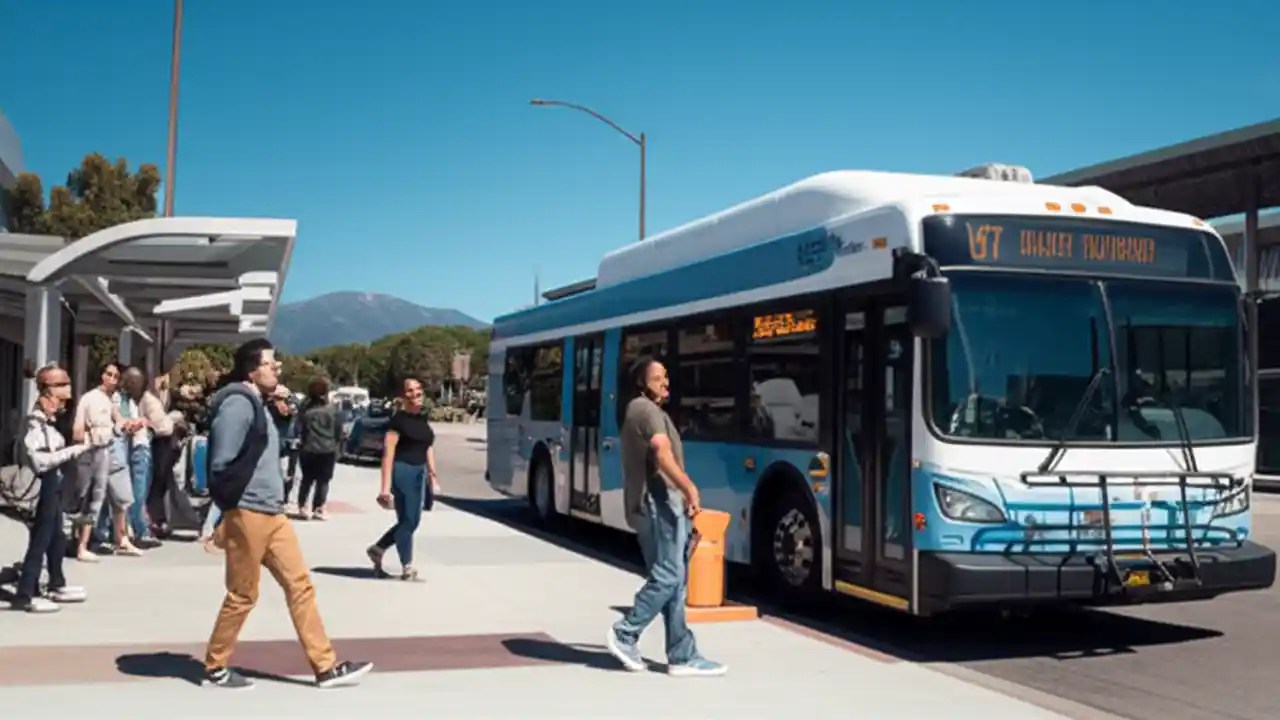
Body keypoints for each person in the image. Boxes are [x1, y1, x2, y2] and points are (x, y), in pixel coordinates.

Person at [201, 338, 372, 690]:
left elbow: (262, 447)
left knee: (300, 586)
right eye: (270, 363)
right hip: (249, 511)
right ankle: (215, 667)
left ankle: (325, 666)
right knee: (243, 594)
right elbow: (221, 462)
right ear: (252, 369)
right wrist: (230, 509)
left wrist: (280, 418)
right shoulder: (237, 403)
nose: (277, 368)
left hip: (273, 512)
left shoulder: (259, 403)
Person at [606, 356, 726, 677]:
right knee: (670, 575)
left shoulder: (643, 410)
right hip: (658, 505)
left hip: (657, 506)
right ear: (641, 382)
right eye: (658, 377)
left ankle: (682, 655)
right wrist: (689, 489)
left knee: (674, 583)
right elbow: (661, 453)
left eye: (666, 377)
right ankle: (626, 632)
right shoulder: (645, 410)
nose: (665, 382)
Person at [10, 363, 99, 613]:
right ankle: (25, 593)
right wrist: (76, 449)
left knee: (57, 537)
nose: (68, 388)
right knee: (42, 537)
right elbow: (41, 460)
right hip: (45, 483)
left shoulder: (52, 418)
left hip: (54, 483)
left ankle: (56, 583)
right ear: (48, 390)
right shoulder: (35, 421)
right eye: (61, 384)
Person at [70, 362, 145, 560]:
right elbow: (78, 430)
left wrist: (131, 425)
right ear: (101, 375)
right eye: (108, 374)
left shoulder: (110, 400)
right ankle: (81, 546)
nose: (112, 379)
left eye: (115, 376)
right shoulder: (89, 398)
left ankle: (121, 539)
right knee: (89, 502)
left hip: (113, 455)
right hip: (94, 454)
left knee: (122, 498)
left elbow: (119, 421)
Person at [366, 377, 439, 581]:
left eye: (418, 390)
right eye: (409, 390)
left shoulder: (422, 419)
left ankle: (378, 548)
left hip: (419, 473)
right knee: (407, 521)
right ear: (402, 395)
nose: (415, 394)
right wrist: (384, 489)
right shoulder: (397, 421)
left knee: (413, 521)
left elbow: (428, 447)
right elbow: (388, 455)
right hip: (403, 471)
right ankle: (407, 566)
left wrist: (433, 475)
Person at [296, 378, 340, 520]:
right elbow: (338, 431)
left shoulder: (305, 410)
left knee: (306, 480)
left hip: (308, 448)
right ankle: (318, 507)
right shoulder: (332, 410)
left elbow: (299, 428)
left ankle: (302, 507)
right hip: (327, 449)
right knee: (323, 481)